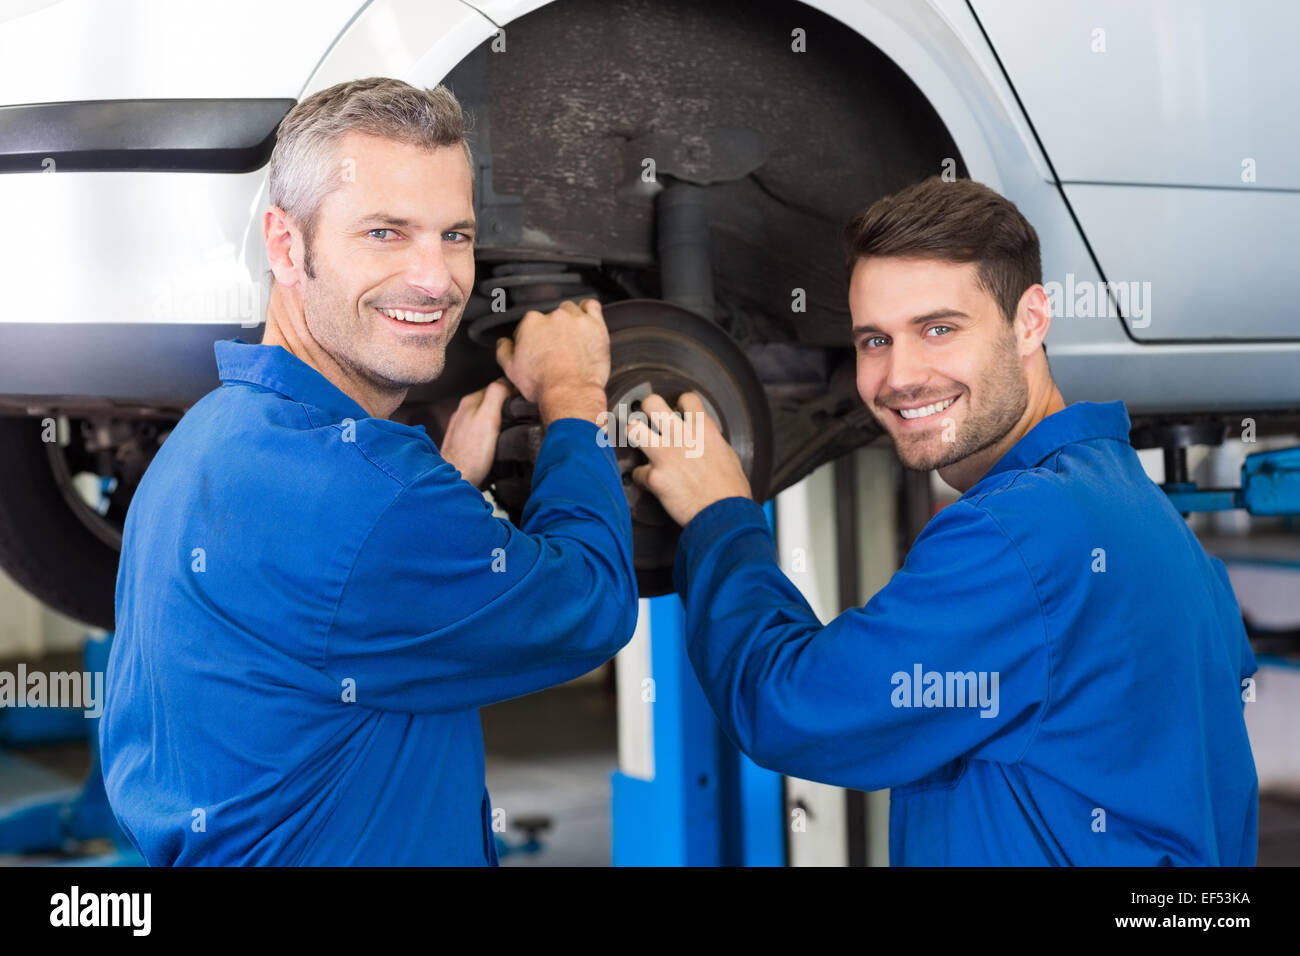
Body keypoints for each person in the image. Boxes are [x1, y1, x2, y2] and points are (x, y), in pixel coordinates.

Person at [628, 176, 1258, 865]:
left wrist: (721, 515)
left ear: (1031, 320)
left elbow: (792, 707)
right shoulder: (1144, 514)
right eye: (874, 340)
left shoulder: (1019, 531)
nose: (899, 376)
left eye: (938, 329)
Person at [100, 78, 635, 865]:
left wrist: (443, 500)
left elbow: (344, 606)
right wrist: (575, 395)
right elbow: (591, 604)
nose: (437, 279)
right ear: (286, 245)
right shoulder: (371, 503)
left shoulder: (207, 441)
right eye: (385, 233)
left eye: (456, 235)